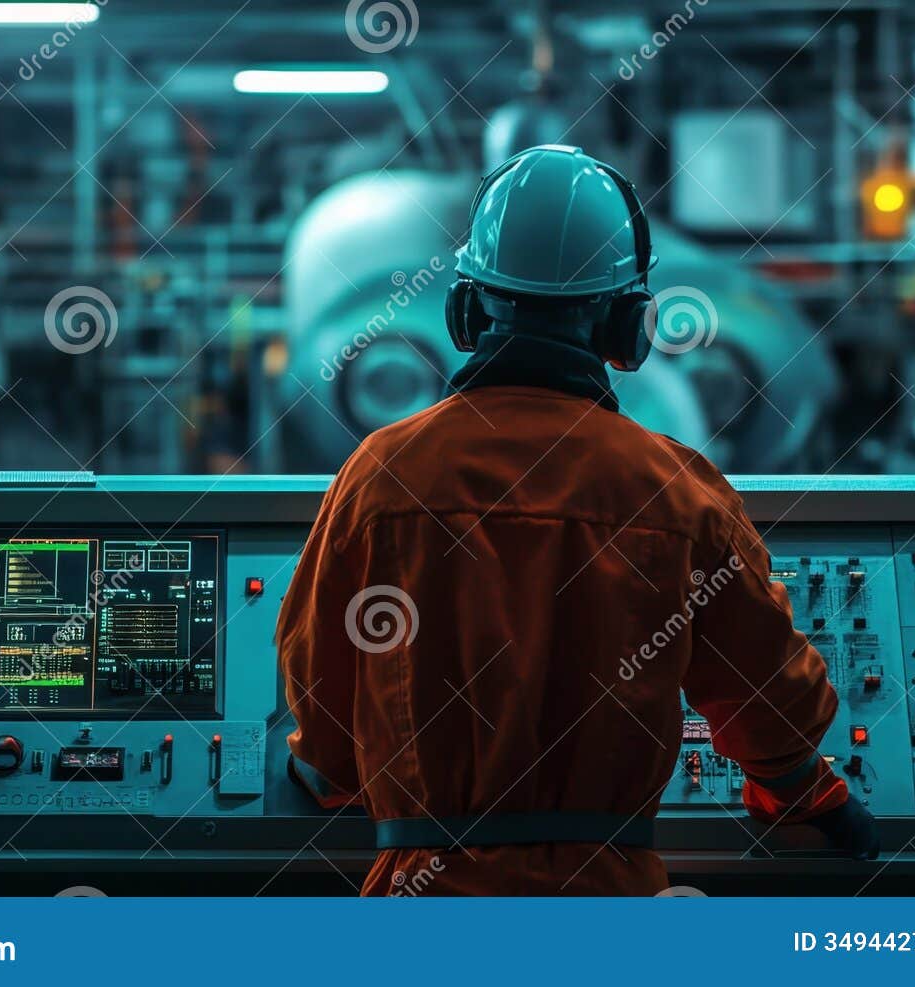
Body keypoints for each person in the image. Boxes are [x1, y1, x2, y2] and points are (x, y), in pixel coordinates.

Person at [278, 145, 878, 896]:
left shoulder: (380, 478)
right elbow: (769, 700)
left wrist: (321, 775)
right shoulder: (678, 493)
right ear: (630, 325)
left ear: (466, 309)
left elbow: (323, 700)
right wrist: (805, 793)